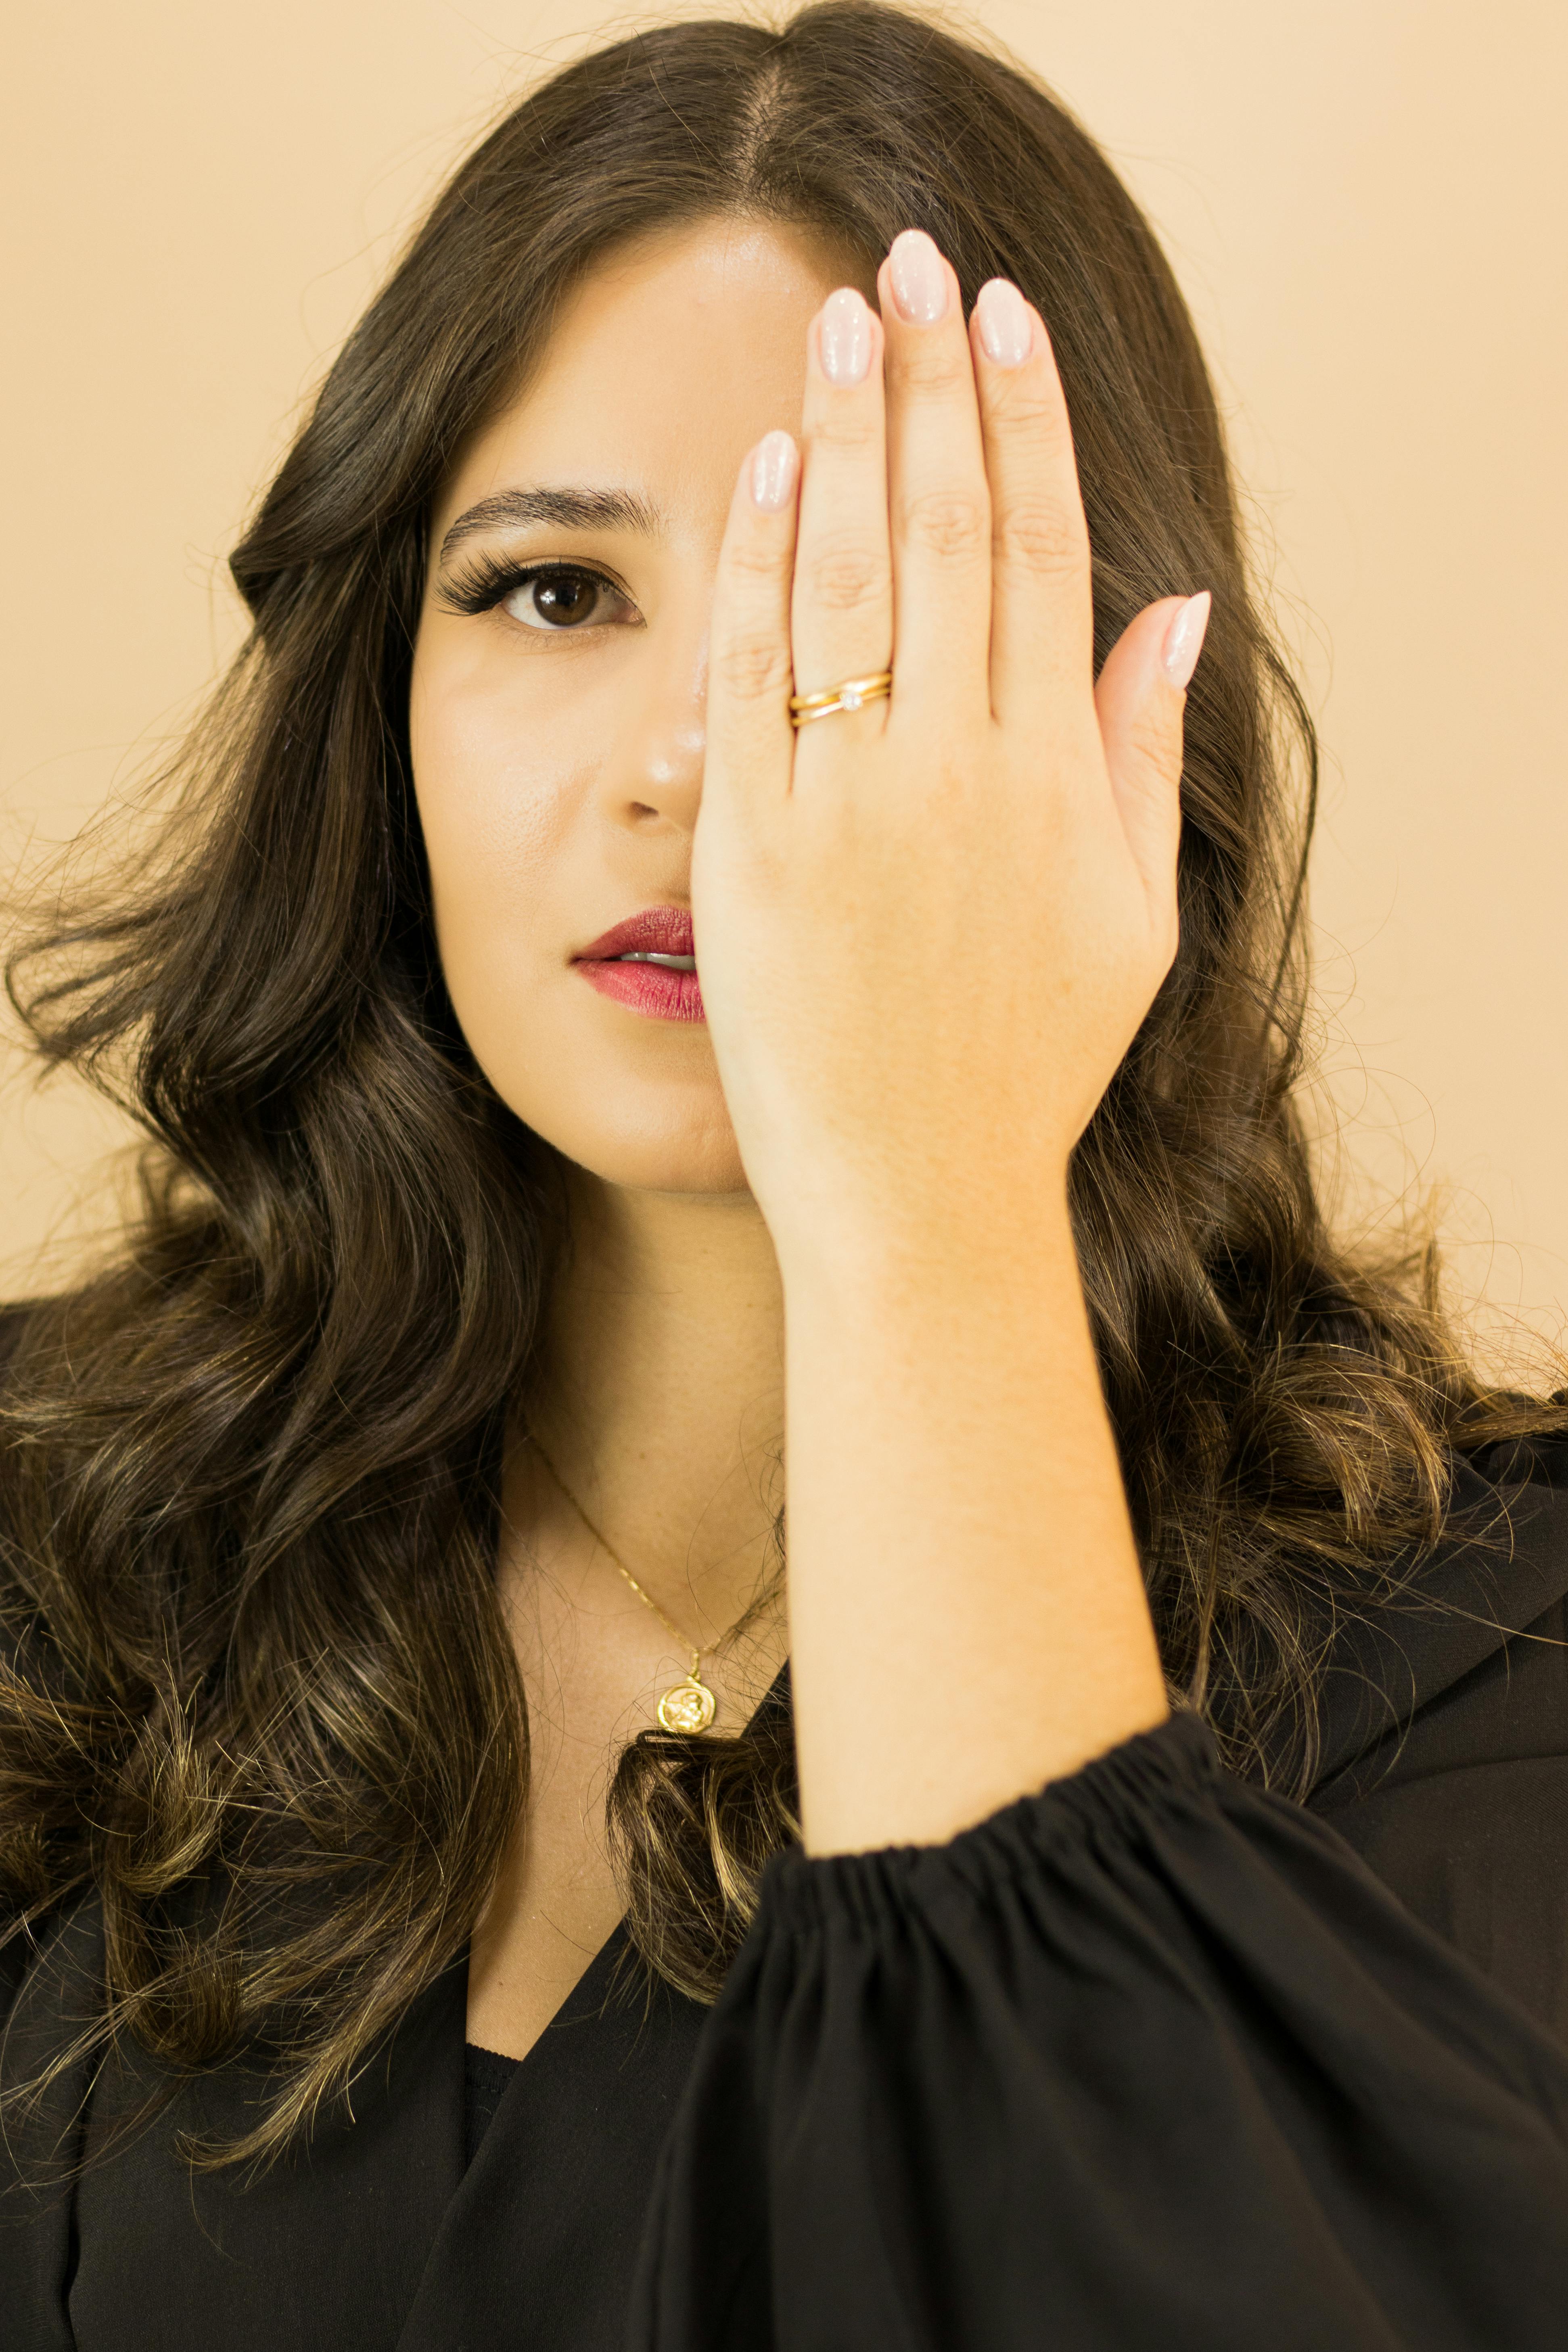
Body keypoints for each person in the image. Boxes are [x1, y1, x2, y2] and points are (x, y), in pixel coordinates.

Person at [3, 5, 1566, 2346]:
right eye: (551, 590)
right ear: (382, 699)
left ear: (1122, 722)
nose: (693, 763)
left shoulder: (1487, 1664)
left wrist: (932, 1187)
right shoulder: (59, 1528)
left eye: (852, 608)